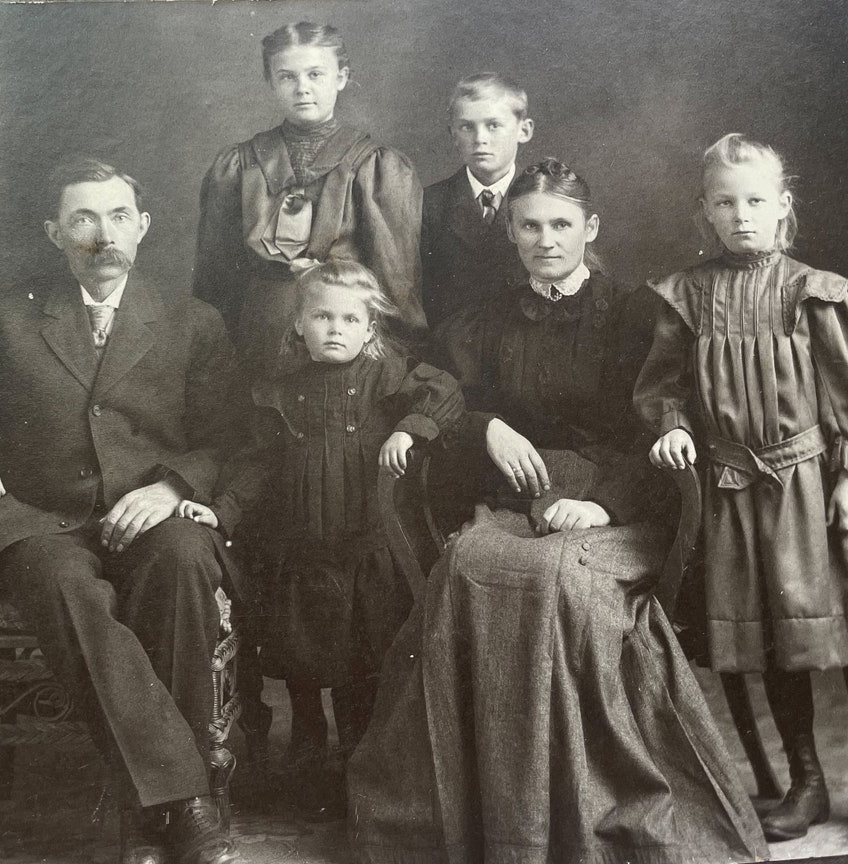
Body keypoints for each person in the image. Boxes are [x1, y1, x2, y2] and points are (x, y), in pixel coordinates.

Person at [346, 159, 768, 864]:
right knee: (466, 567)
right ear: (511, 232)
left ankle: (577, 809)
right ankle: (487, 814)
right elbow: (438, 386)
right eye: (531, 225)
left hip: (620, 505)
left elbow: (660, 419)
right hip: (516, 501)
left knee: (557, 584)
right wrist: (484, 426)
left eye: (562, 225)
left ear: (589, 229)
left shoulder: (637, 313)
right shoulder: (485, 317)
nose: (547, 239)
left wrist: (602, 503)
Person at [0, 156, 240, 864]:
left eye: (117, 216)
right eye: (83, 218)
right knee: (65, 582)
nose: (102, 234)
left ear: (143, 227)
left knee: (184, 558)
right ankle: (179, 804)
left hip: (150, 511)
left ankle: (152, 809)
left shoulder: (192, 321)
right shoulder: (1, 315)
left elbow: (231, 437)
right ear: (54, 232)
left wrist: (173, 488)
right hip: (38, 518)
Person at [179, 258, 462, 817]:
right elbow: (256, 464)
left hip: (366, 548)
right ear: (298, 325)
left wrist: (408, 429)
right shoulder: (278, 391)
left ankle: (361, 763)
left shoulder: (389, 375)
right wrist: (222, 510)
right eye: (322, 317)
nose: (336, 328)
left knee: (362, 660)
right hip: (299, 550)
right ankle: (306, 751)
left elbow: (445, 393)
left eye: (350, 319)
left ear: (369, 328)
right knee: (304, 658)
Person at [636, 133, 848, 842]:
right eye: (725, 203)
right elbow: (663, 386)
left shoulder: (811, 292)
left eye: (756, 200)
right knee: (760, 643)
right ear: (705, 211)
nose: (742, 215)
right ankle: (804, 779)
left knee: (819, 629)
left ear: (784, 206)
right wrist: (672, 424)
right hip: (729, 487)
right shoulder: (688, 298)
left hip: (808, 487)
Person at [192, 21, 424, 378]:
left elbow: (395, 283)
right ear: (270, 81)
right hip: (259, 341)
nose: (303, 88)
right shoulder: (239, 165)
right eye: (287, 77)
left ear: (342, 77)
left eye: (316, 74)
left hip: (347, 345)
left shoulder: (375, 165)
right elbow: (216, 278)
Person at [420, 72, 533, 328]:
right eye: (467, 126)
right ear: (453, 134)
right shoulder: (429, 204)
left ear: (523, 130)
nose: (480, 138)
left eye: (493, 125)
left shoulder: (541, 200)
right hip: (449, 349)